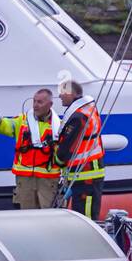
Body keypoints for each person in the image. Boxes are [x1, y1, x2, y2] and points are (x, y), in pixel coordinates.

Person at [0, 88, 61, 210]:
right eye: (34, 101)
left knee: (49, 213)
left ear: (50, 104)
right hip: (25, 179)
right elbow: (9, 125)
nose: (35, 105)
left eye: (40, 102)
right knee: (26, 214)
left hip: (48, 179)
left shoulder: (59, 125)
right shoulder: (23, 120)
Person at [53, 79, 106, 219]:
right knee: (87, 213)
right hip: (88, 172)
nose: (60, 96)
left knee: (86, 216)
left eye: (62, 93)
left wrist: (57, 161)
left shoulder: (78, 117)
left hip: (85, 174)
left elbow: (66, 146)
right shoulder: (88, 109)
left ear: (71, 93)